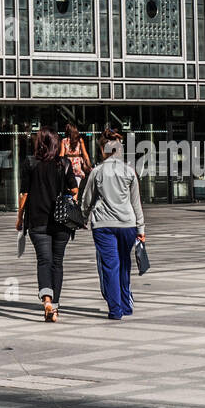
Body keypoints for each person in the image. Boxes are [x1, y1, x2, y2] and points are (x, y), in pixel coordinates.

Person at [81, 127, 146, 320]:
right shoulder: (129, 172)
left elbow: (87, 200)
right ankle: (126, 305)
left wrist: (84, 218)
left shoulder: (97, 172)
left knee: (110, 265)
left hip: (103, 225)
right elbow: (136, 203)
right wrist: (141, 229)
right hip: (128, 224)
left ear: (103, 150)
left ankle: (115, 309)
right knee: (124, 264)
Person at [16, 128, 78, 322]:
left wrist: (19, 217)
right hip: (61, 222)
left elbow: (24, 193)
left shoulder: (30, 163)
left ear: (39, 144)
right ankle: (56, 308)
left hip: (37, 221)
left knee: (44, 261)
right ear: (55, 144)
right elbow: (74, 189)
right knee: (57, 263)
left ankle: (47, 301)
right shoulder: (64, 164)